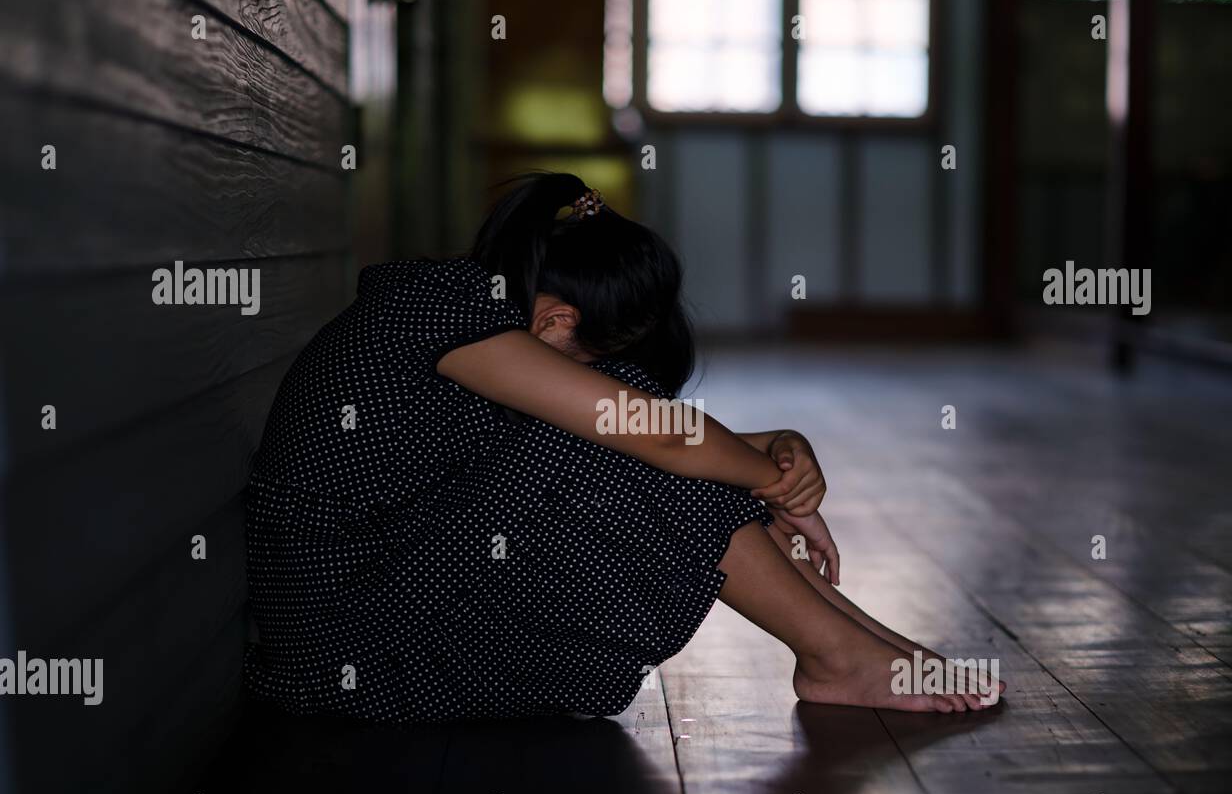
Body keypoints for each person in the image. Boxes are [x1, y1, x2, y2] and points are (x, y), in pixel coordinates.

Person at [244, 172, 1002, 723]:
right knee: (636, 441)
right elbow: (656, 435)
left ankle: (856, 642)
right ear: (557, 322)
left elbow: (654, 426)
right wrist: (768, 478)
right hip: (352, 643)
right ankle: (839, 655)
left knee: (648, 434)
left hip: (403, 587)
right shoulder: (434, 311)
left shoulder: (473, 308)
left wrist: (773, 454)